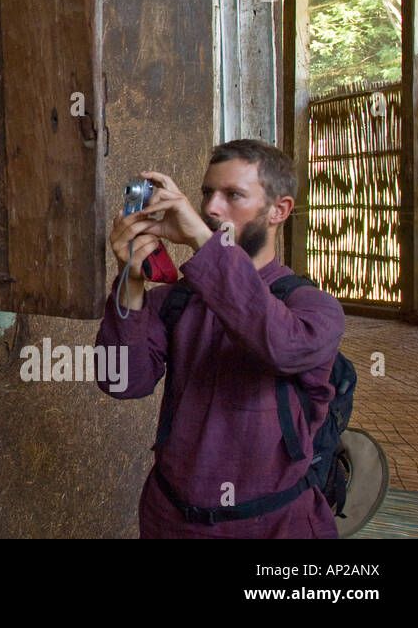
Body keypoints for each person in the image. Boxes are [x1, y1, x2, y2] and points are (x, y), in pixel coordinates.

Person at [96, 139, 344, 538]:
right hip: (170, 519)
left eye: (233, 195)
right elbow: (122, 382)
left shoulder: (313, 309)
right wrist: (131, 281)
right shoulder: (175, 302)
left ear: (278, 210)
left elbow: (279, 347)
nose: (211, 209)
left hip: (273, 525)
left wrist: (201, 239)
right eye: (207, 193)